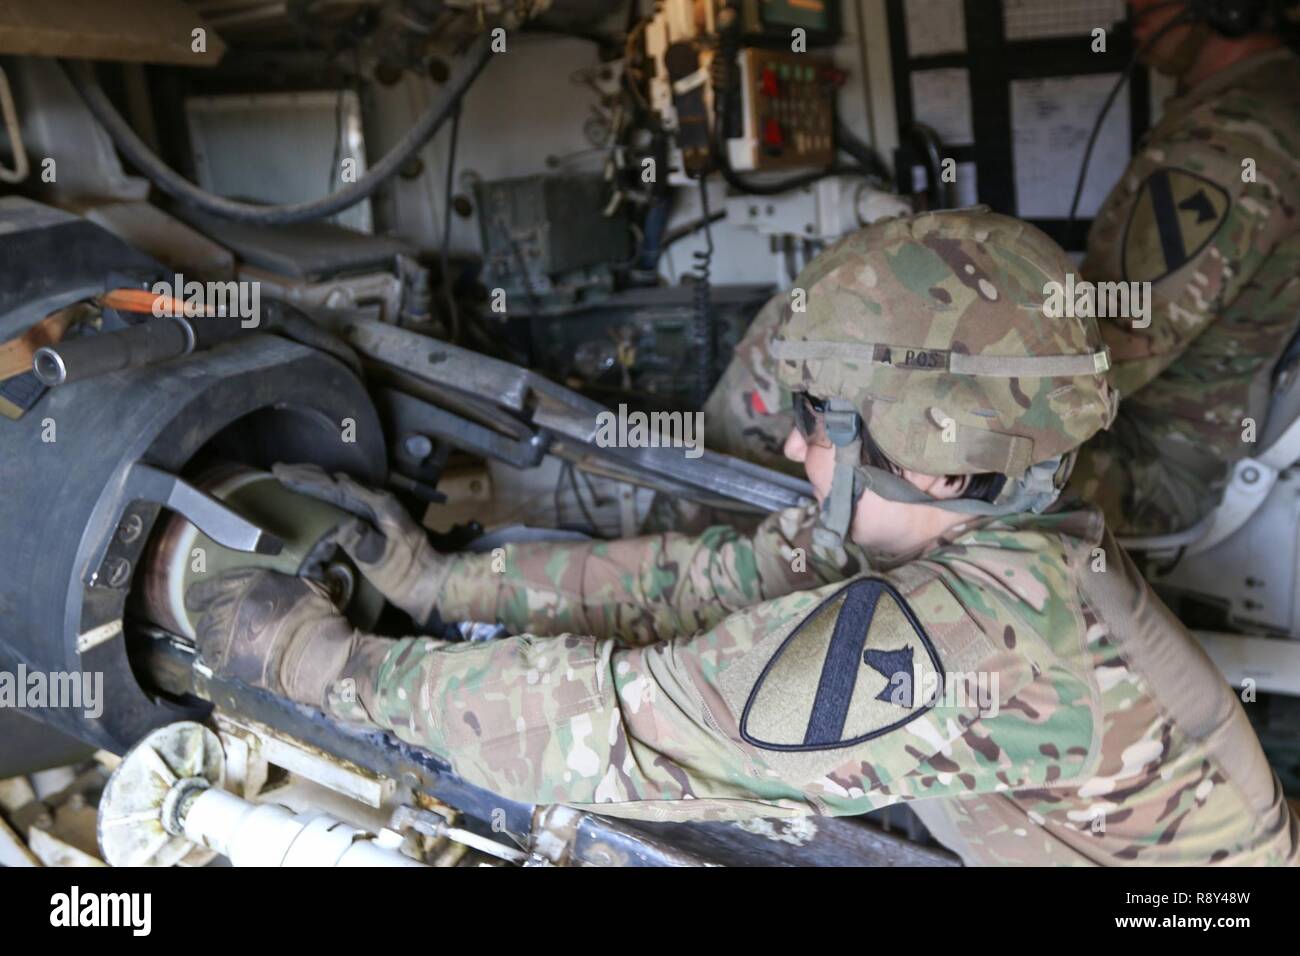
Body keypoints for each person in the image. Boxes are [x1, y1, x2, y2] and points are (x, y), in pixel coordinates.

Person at [186, 210, 1299, 865]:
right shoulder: (989, 518)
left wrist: (324, 666)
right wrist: (436, 580)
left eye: (821, 418)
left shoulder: (980, 636)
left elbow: (630, 729)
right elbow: (695, 578)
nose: (798, 446)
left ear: (930, 451)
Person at [1065, 0, 1300, 534]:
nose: (1134, 11)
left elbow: (1110, 347)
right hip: (1153, 426)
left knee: (904, 480)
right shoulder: (1252, 104)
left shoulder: (1233, 135)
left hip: (1153, 459)